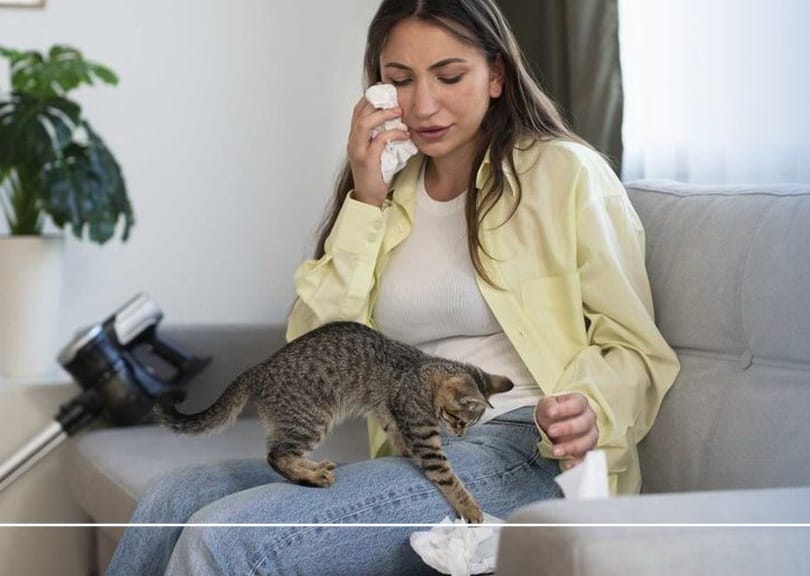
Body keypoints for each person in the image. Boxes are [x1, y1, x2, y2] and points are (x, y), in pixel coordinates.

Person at [107, 0, 678, 573]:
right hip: (419, 448)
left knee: (227, 538)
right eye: (399, 80)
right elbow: (308, 350)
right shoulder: (387, 193)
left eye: (450, 76)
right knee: (172, 500)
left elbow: (636, 350)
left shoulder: (564, 175)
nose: (423, 105)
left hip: (525, 447)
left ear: (497, 75)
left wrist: (590, 406)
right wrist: (366, 199)